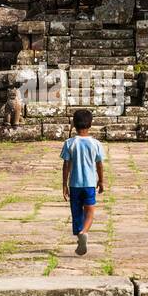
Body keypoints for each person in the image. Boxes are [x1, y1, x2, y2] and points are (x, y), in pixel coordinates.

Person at [60, 108, 106, 255]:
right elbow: (99, 164)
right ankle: (84, 232)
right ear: (90, 124)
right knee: (90, 211)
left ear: (74, 124)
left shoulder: (69, 143)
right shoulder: (96, 144)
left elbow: (66, 165)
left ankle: (79, 232)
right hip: (90, 184)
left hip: (74, 184)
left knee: (76, 213)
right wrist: (101, 181)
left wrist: (64, 185)